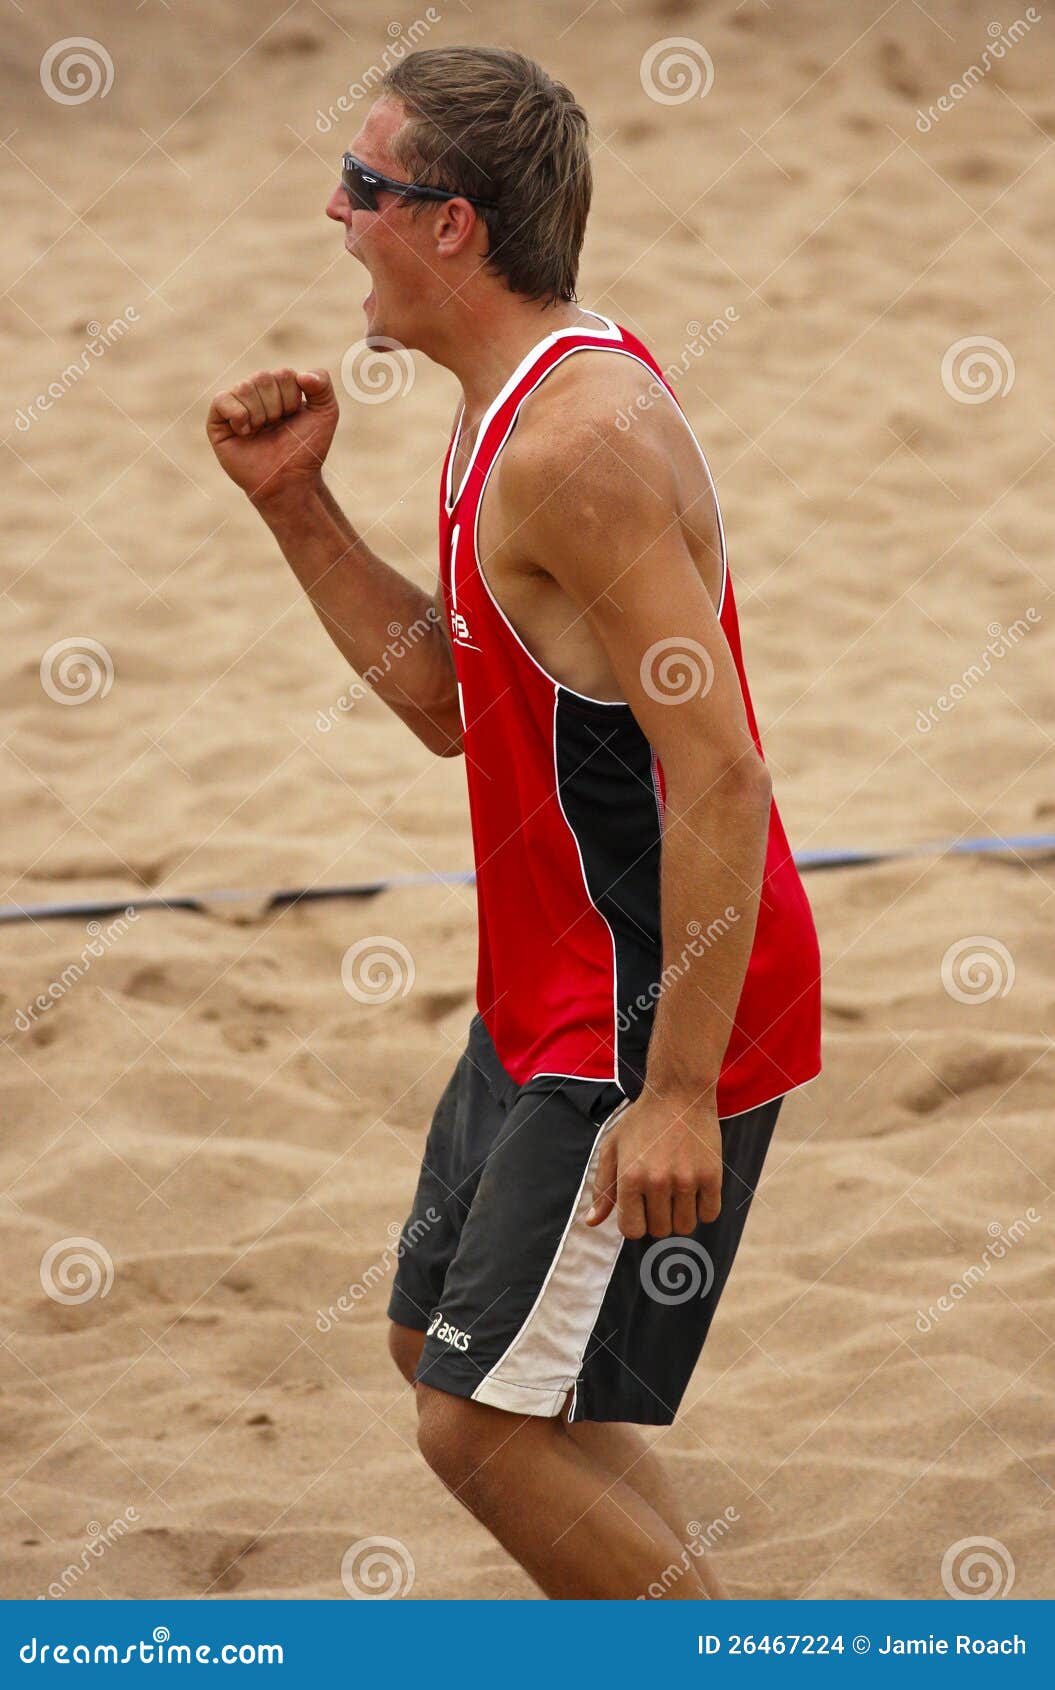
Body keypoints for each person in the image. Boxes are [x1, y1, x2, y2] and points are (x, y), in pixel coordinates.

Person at [206, 45, 821, 1601]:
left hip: (639, 1011)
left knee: (473, 1425)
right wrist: (296, 505)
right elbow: (454, 706)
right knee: (446, 1347)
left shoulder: (575, 446)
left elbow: (722, 773)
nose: (333, 211)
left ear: (452, 224)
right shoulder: (507, 409)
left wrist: (676, 1093)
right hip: (547, 990)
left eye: (363, 185)